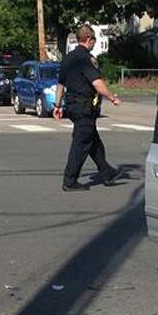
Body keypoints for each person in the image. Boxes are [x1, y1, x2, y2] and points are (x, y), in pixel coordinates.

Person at [53, 24, 122, 191]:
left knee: (93, 142)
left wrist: (57, 105)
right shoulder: (86, 59)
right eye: (94, 41)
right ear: (89, 39)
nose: (94, 44)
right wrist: (112, 97)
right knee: (81, 144)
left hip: (72, 106)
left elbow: (61, 84)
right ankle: (69, 181)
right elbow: (97, 84)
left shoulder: (68, 58)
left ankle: (107, 172)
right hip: (85, 108)